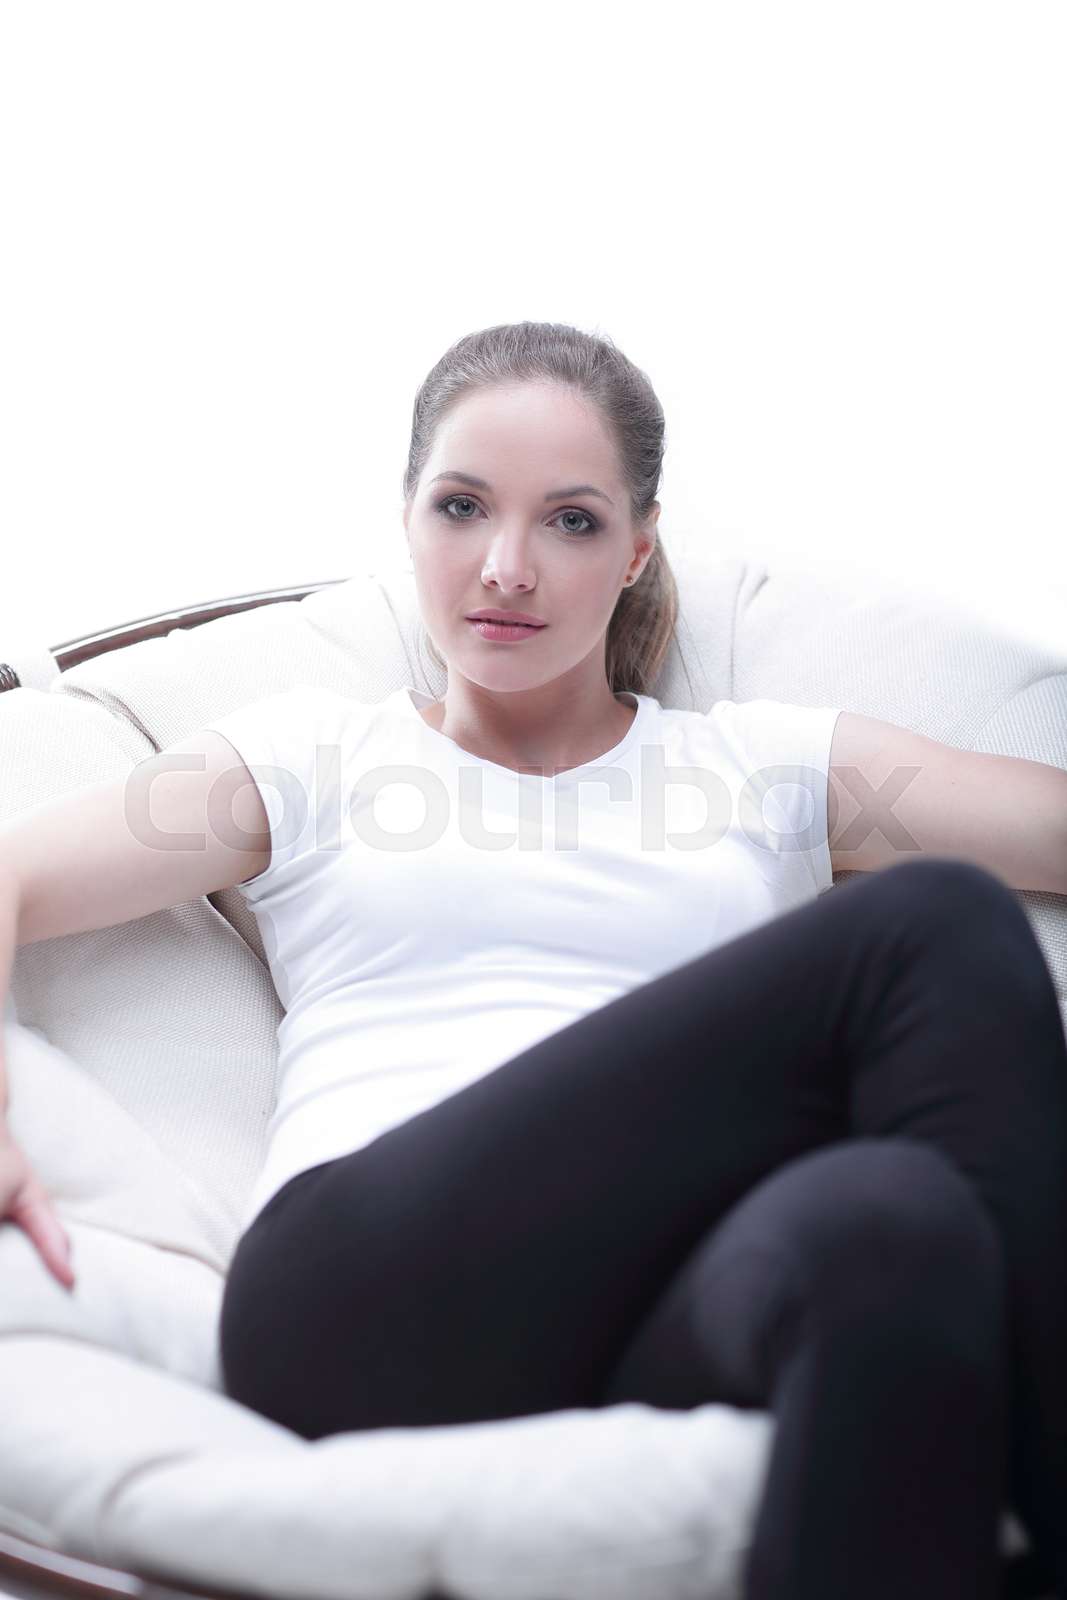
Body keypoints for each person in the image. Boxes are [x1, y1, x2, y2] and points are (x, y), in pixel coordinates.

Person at [41, 320, 1067, 1599]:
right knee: (934, 923)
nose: (506, 567)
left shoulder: (756, 764)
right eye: (461, 507)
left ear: (638, 549)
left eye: (570, 522)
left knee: (890, 1228)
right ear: (409, 521)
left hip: (651, 1312)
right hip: (360, 1299)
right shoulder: (317, 754)